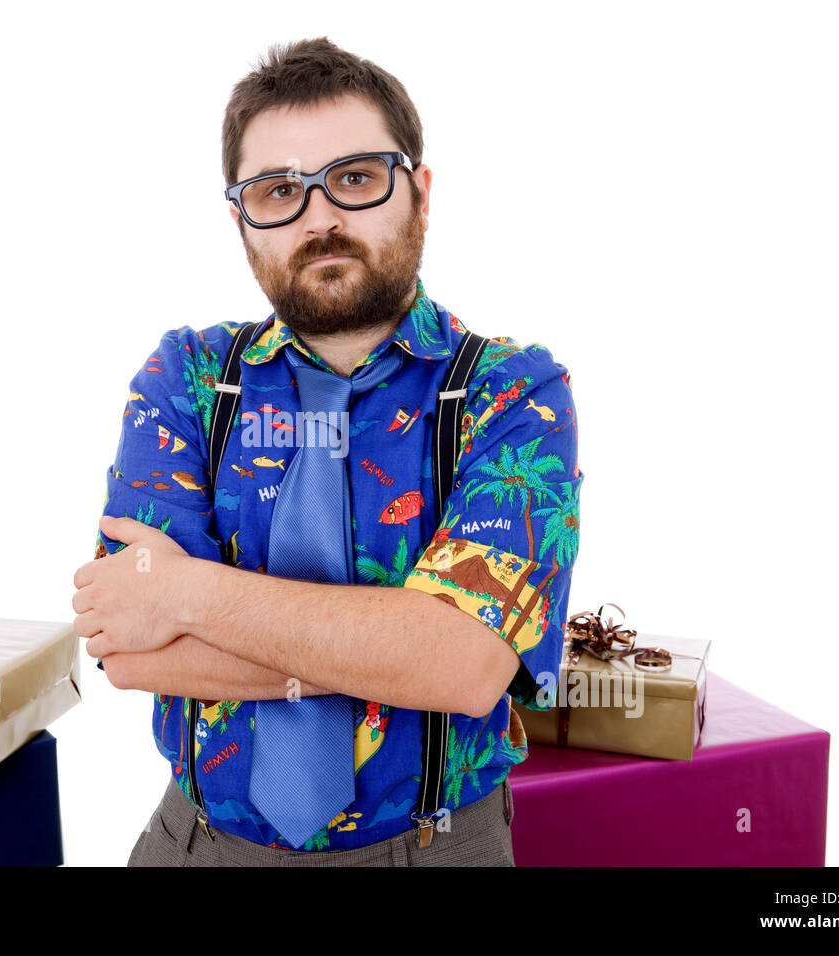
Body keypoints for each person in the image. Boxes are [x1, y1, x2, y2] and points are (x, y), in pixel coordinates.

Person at [72, 36, 583, 867]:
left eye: (354, 177)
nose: (320, 218)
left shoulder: (511, 391)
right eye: (279, 190)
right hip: (195, 845)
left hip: (434, 848)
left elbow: (465, 667)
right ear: (242, 221)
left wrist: (186, 594)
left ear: (419, 192)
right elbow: (130, 648)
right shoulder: (188, 379)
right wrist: (396, 650)